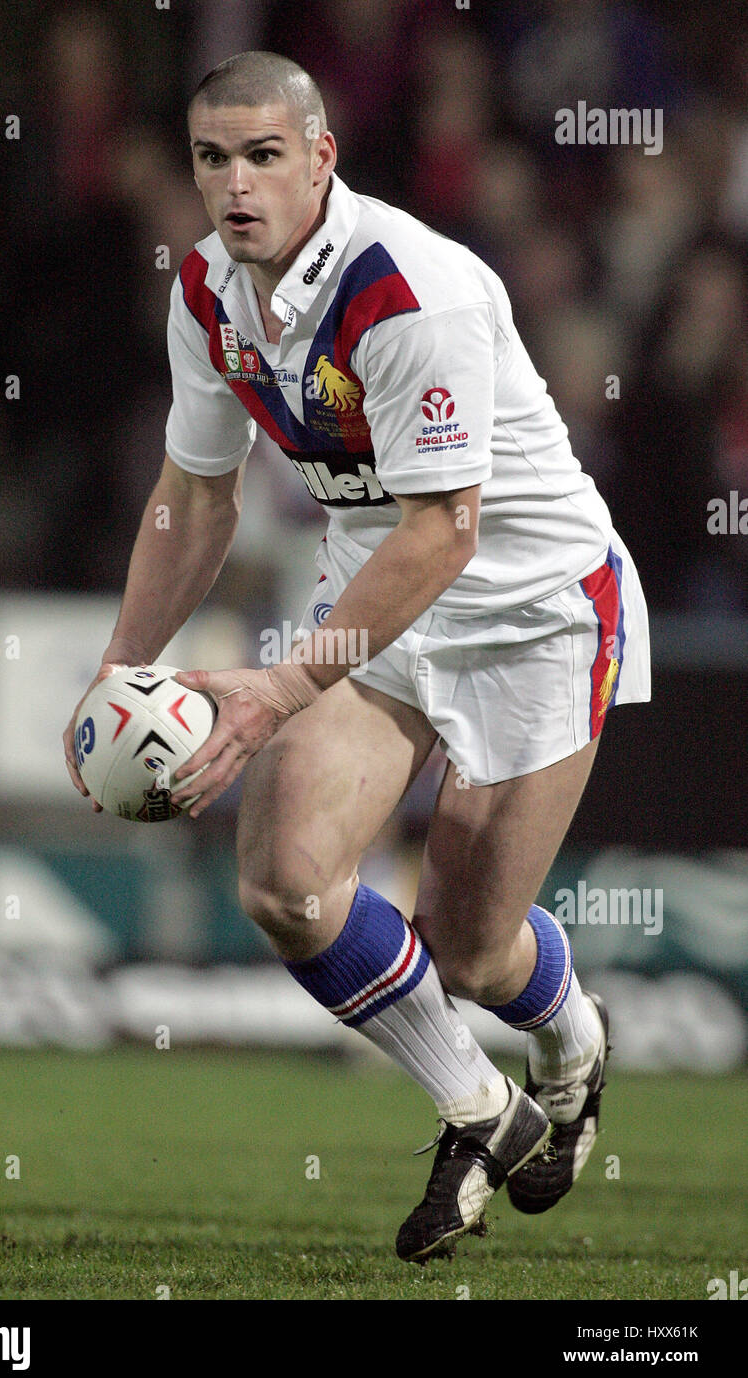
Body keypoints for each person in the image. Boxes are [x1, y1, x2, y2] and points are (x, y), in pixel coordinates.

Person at [63, 51, 651, 1264]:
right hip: (375, 592)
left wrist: (280, 684)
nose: (235, 185)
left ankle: (570, 1042)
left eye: (263, 155)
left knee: (474, 944)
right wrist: (121, 665)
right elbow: (195, 494)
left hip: (535, 605)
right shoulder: (206, 296)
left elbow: (446, 528)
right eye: (211, 159)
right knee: (282, 877)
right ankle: (476, 1105)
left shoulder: (405, 290)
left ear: (320, 158)